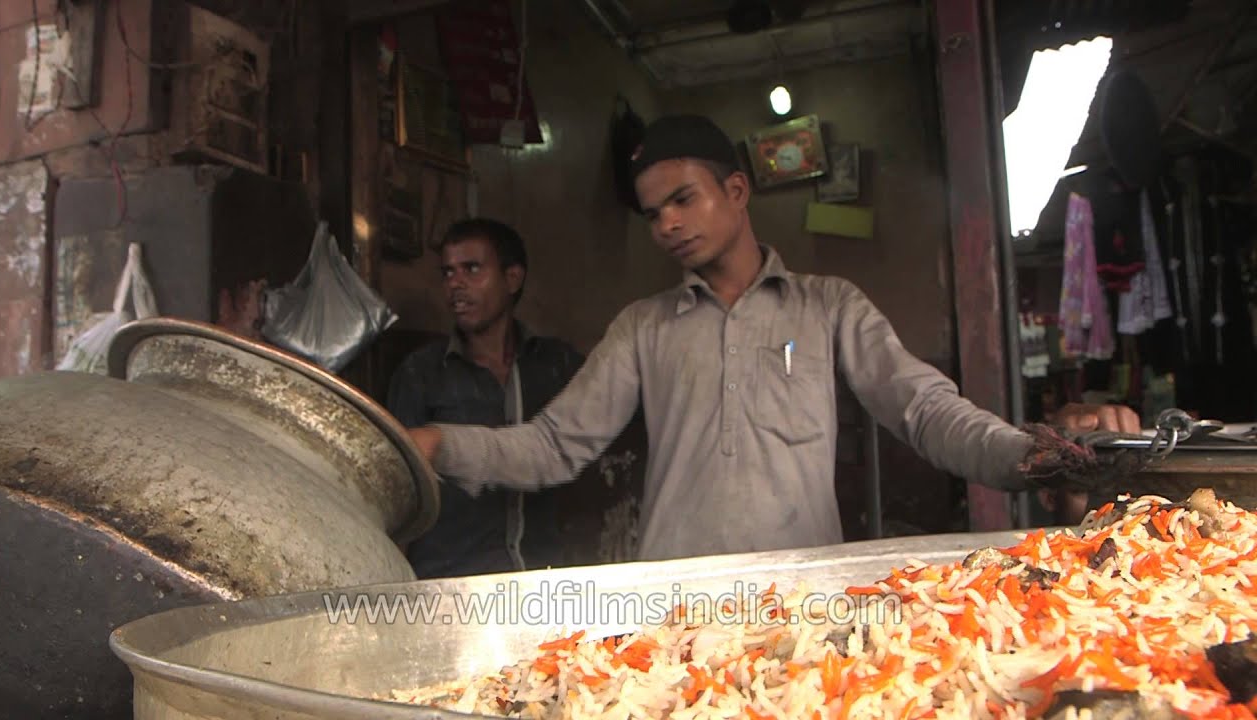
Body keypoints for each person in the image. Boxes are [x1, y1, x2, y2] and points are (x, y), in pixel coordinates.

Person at [406, 115, 1136, 563]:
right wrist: (441, 445)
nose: (665, 224)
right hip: (676, 603)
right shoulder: (642, 327)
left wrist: (1034, 454)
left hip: (803, 600)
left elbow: (924, 410)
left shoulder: (828, 308)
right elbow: (553, 445)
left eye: (682, 200)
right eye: (652, 212)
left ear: (736, 192)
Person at [388, 218, 584, 578]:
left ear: (512, 279)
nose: (455, 284)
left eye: (472, 269)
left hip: (544, 578)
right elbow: (399, 491)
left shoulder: (556, 366)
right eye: (448, 273)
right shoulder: (421, 374)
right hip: (451, 583)